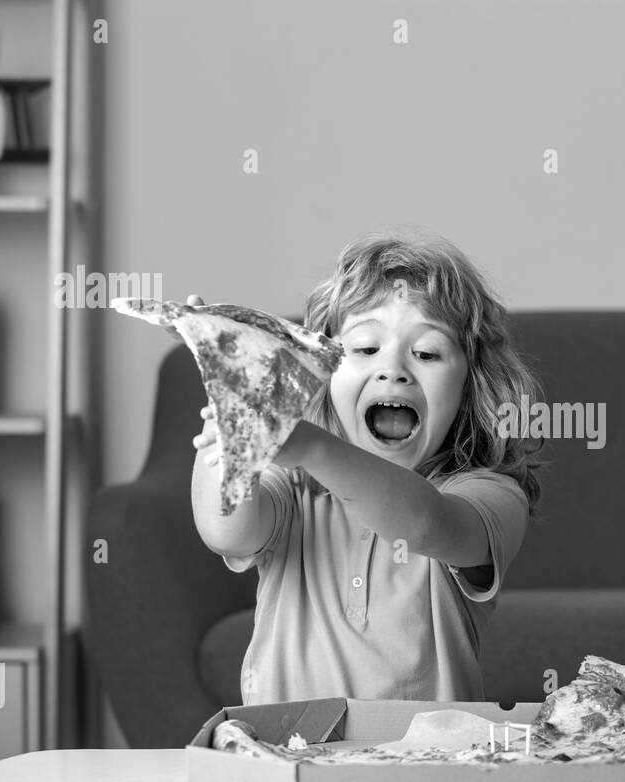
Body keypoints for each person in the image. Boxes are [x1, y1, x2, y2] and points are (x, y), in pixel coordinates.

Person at [191, 234, 543, 706]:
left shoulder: (489, 495)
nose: (392, 370)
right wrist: (229, 387)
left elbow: (424, 523)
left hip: (427, 765)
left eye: (427, 353)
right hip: (287, 753)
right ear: (319, 371)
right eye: (365, 348)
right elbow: (227, 531)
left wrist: (311, 447)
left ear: (470, 386)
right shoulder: (294, 487)